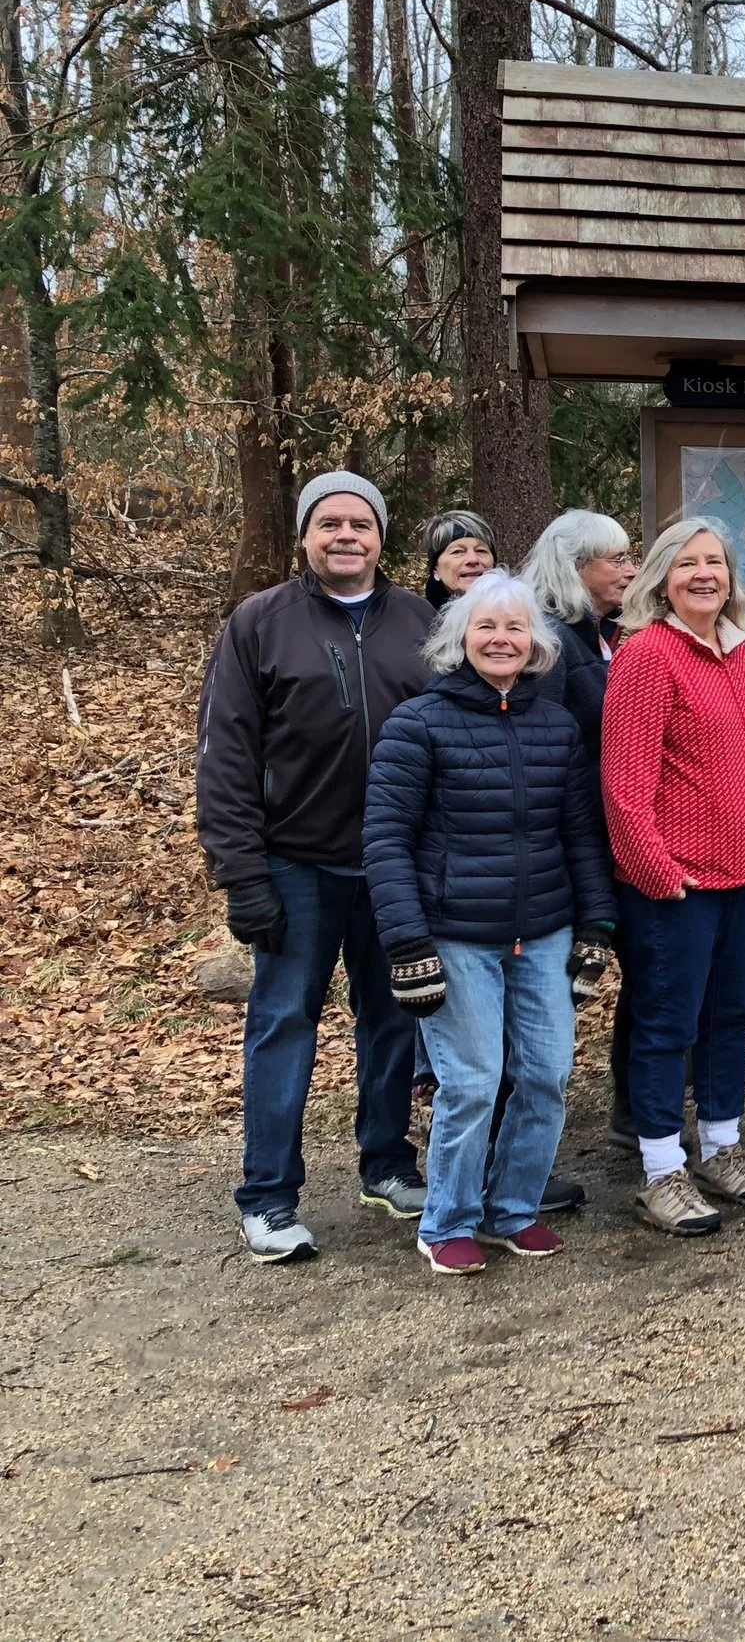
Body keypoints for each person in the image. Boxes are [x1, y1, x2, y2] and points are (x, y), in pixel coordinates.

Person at [196, 470, 433, 1263]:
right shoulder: (259, 622)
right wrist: (242, 871)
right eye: (328, 522)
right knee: (283, 1024)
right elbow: (225, 754)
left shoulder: (420, 621)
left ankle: (388, 1163)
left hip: (395, 864)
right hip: (294, 862)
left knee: (394, 1018)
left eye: (360, 523)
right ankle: (267, 1195)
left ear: (380, 536)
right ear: (305, 535)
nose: (345, 535)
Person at [361, 572, 615, 1274]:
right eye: (486, 627)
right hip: (454, 933)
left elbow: (582, 834)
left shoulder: (555, 726)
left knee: (545, 1074)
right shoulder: (419, 723)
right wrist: (407, 943)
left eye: (515, 629)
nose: (502, 639)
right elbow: (385, 839)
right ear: (458, 639)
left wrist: (596, 924)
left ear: (535, 643)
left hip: (544, 930)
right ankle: (447, 1220)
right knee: (472, 1081)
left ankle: (512, 1209)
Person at [603, 516, 745, 1237]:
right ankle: (659, 1168)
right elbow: (624, 781)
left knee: (729, 1016)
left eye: (715, 562)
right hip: (676, 885)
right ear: (661, 580)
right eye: (687, 564)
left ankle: (720, 1146)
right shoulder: (647, 654)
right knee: (666, 1023)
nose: (704, 574)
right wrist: (656, 871)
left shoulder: (735, 653)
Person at [521, 509, 641, 1152]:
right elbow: (548, 750)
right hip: (566, 845)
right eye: (616, 558)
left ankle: (635, 1113)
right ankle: (516, 1151)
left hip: (617, 835)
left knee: (645, 975)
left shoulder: (608, 633)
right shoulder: (547, 641)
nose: (629, 568)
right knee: (552, 991)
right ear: (574, 568)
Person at [421, 511, 496, 610]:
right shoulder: (418, 619)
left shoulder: (519, 613)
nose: (473, 559)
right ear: (435, 569)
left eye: (481, 551)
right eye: (457, 552)